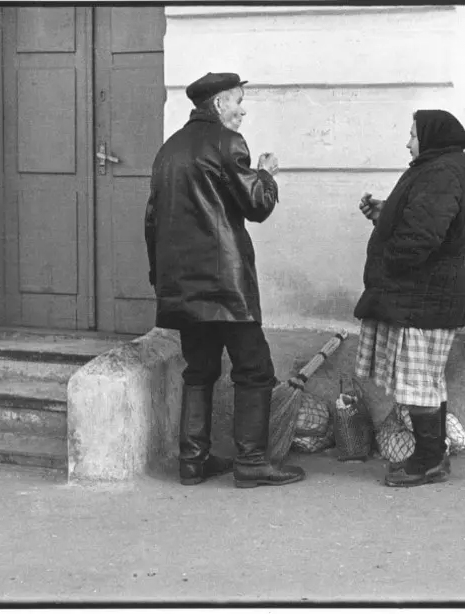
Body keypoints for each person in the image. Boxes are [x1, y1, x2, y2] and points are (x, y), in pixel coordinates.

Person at [144, 72, 305, 488]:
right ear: (218, 105)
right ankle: (251, 462)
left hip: (183, 286)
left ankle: (192, 462)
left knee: (199, 370)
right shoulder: (227, 142)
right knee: (254, 368)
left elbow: (151, 221)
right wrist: (265, 173)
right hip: (226, 287)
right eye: (237, 100)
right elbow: (257, 205)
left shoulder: (168, 150)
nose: (242, 109)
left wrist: (159, 279)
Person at [354, 109, 465, 488]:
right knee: (427, 380)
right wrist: (386, 214)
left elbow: (422, 238)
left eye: (412, 134)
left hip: (423, 296)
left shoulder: (440, 172)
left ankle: (428, 460)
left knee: (419, 383)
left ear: (430, 137)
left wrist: (388, 262)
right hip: (430, 294)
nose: (407, 142)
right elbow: (424, 221)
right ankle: (432, 457)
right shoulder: (446, 168)